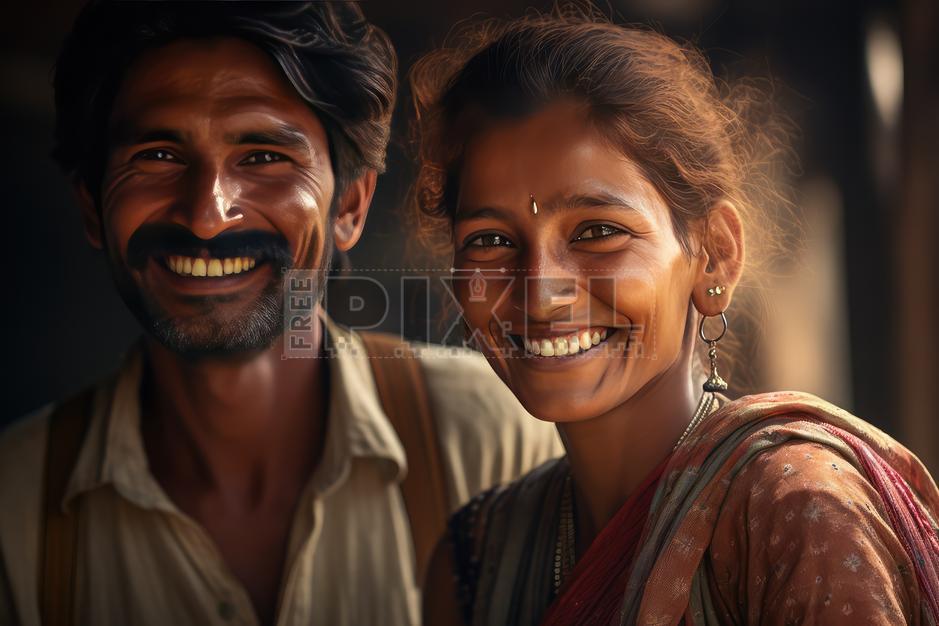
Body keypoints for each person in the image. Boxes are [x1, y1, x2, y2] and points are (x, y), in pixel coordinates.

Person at [0, 3, 562, 626]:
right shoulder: (12, 511)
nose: (208, 216)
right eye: (158, 156)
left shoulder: (503, 440)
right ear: (91, 209)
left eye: (264, 156)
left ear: (349, 205)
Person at [410, 7, 939, 625]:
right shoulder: (476, 558)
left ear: (714, 255)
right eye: (491, 241)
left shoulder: (796, 509)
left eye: (598, 231)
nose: (541, 291)